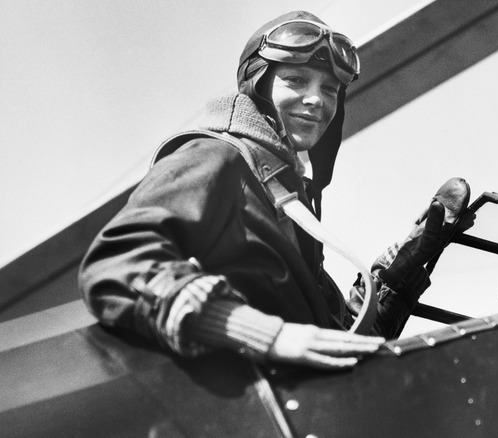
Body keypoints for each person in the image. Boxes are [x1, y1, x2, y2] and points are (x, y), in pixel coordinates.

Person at [79, 11, 471, 370]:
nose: (316, 99)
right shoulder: (217, 158)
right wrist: (264, 334)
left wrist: (395, 284)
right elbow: (116, 262)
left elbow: (337, 343)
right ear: (260, 86)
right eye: (296, 80)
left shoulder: (285, 201)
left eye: (330, 89)